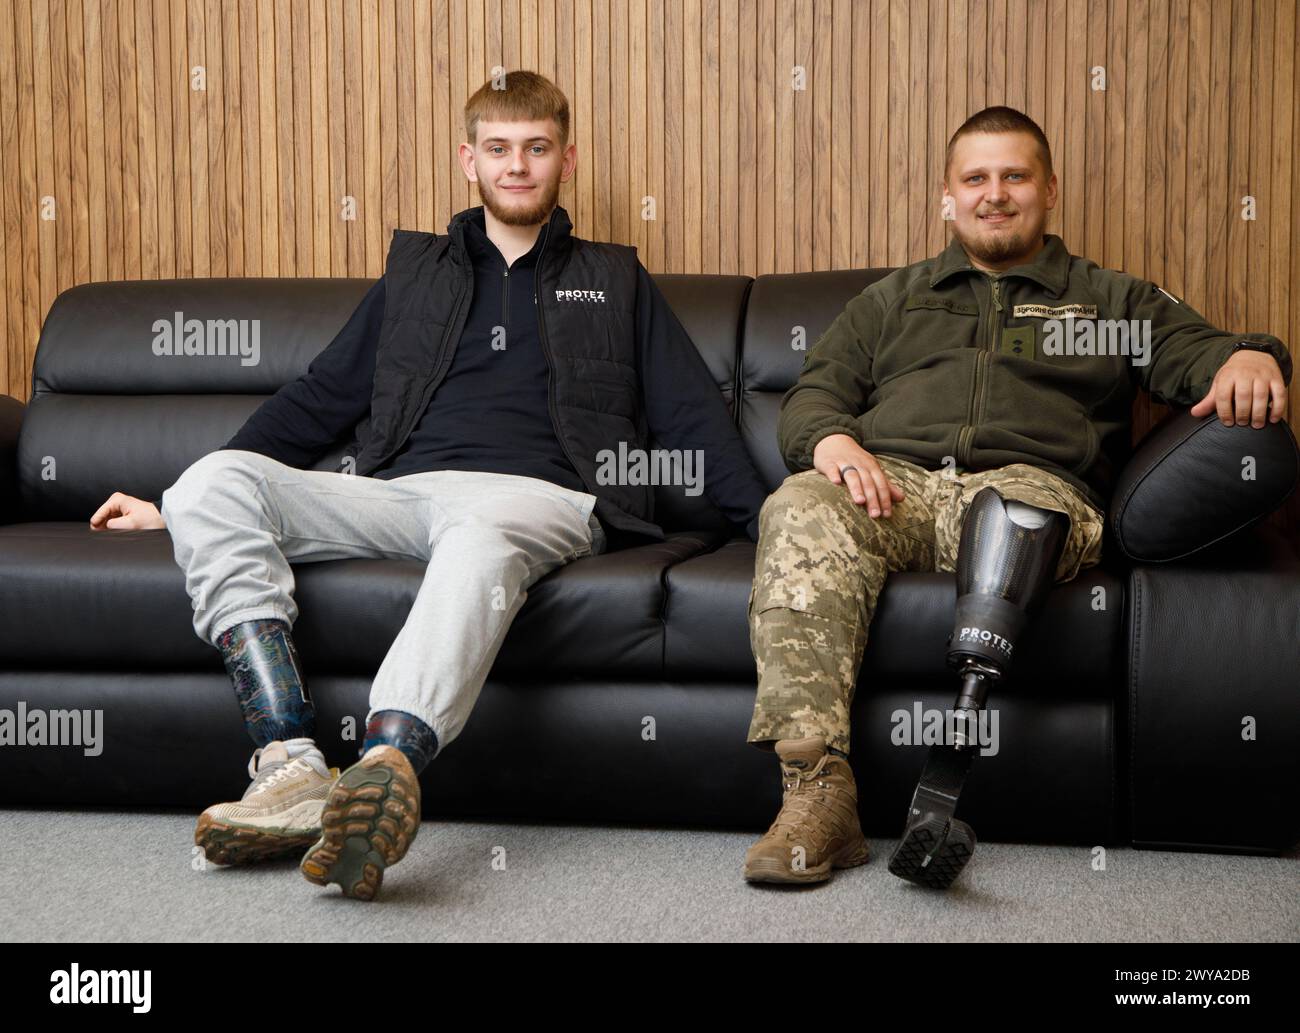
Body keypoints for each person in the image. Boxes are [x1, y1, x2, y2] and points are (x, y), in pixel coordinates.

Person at [90, 70, 767, 902]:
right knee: (211, 484)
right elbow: (320, 397)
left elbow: (696, 417)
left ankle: (385, 766)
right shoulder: (417, 274)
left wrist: (774, 528)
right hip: (399, 494)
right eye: (498, 149)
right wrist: (168, 502)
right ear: (467, 160)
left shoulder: (616, 278)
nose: (517, 166)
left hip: (539, 500)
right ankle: (292, 762)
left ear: (568, 159)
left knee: (479, 540)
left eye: (536, 149)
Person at [741, 105, 1292, 885]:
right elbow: (812, 395)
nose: (994, 194)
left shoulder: (1106, 300)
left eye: (1014, 176)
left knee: (1014, 515)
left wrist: (1251, 356)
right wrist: (830, 440)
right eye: (976, 178)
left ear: (1049, 189)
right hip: (893, 485)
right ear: (947, 197)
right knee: (799, 503)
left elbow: (1194, 350)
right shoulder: (892, 300)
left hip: (1029, 485)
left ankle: (950, 770)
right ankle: (816, 793)